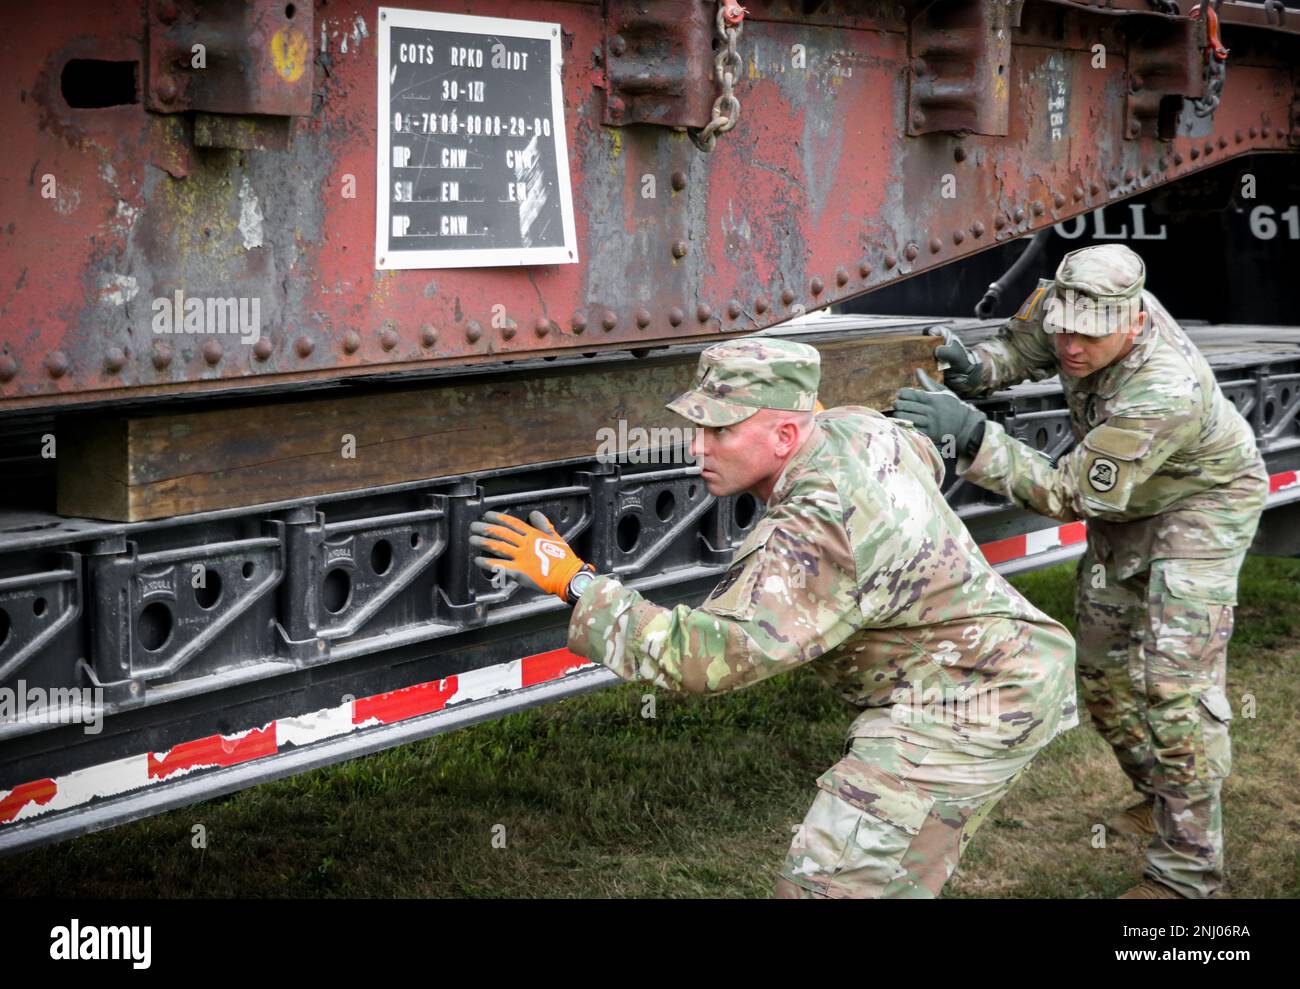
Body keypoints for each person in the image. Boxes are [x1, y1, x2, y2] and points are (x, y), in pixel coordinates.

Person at [470, 337, 1077, 898]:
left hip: (963, 707)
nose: (696, 448)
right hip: (992, 677)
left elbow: (702, 658)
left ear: (786, 434)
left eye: (720, 432)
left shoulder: (816, 528)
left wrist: (574, 583)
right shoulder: (859, 428)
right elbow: (923, 455)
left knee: (827, 887)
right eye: (696, 427)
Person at [894, 244, 1268, 899]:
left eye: (1087, 336)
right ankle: (1163, 796)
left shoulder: (1164, 389)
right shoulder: (1072, 303)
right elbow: (1024, 349)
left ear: (1131, 322)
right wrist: (976, 368)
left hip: (1201, 503)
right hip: (1126, 501)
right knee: (1098, 671)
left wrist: (975, 438)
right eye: (1062, 325)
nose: (1069, 344)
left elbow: (1071, 495)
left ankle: (1187, 875)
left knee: (1177, 689)